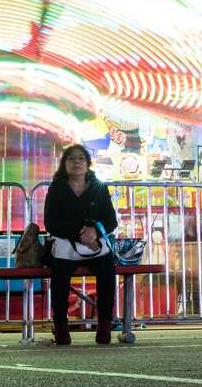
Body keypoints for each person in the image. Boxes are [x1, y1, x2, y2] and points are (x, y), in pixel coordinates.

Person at [43, 144, 119, 345]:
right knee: (59, 273)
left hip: (96, 244)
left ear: (87, 163)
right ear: (64, 164)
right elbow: (51, 222)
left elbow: (111, 220)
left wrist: (94, 231)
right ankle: (60, 325)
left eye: (80, 159)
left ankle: (104, 323)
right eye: (71, 158)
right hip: (66, 245)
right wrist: (80, 234)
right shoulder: (57, 188)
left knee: (107, 269)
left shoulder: (99, 188)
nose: (76, 162)